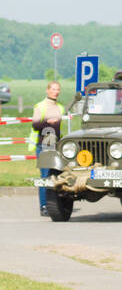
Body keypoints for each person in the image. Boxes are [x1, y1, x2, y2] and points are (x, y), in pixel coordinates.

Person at [29, 82, 63, 216]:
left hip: (55, 143)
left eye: (58, 89)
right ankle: (44, 206)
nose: (56, 91)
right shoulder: (40, 106)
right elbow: (35, 125)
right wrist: (47, 122)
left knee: (55, 176)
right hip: (44, 144)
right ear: (47, 90)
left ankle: (55, 204)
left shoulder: (60, 107)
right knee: (45, 176)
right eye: (53, 89)